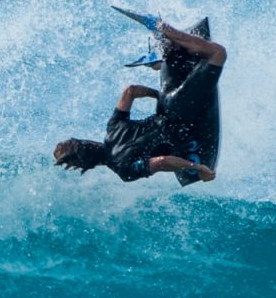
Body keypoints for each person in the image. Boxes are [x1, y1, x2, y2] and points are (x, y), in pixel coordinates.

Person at [54, 21, 225, 184]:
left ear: (88, 166)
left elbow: (162, 162)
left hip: (184, 118)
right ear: (90, 143)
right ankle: (161, 54)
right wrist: (161, 96)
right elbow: (131, 91)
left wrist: (196, 167)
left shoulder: (124, 169)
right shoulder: (113, 129)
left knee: (217, 54)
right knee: (176, 53)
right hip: (165, 107)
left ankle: (165, 30)